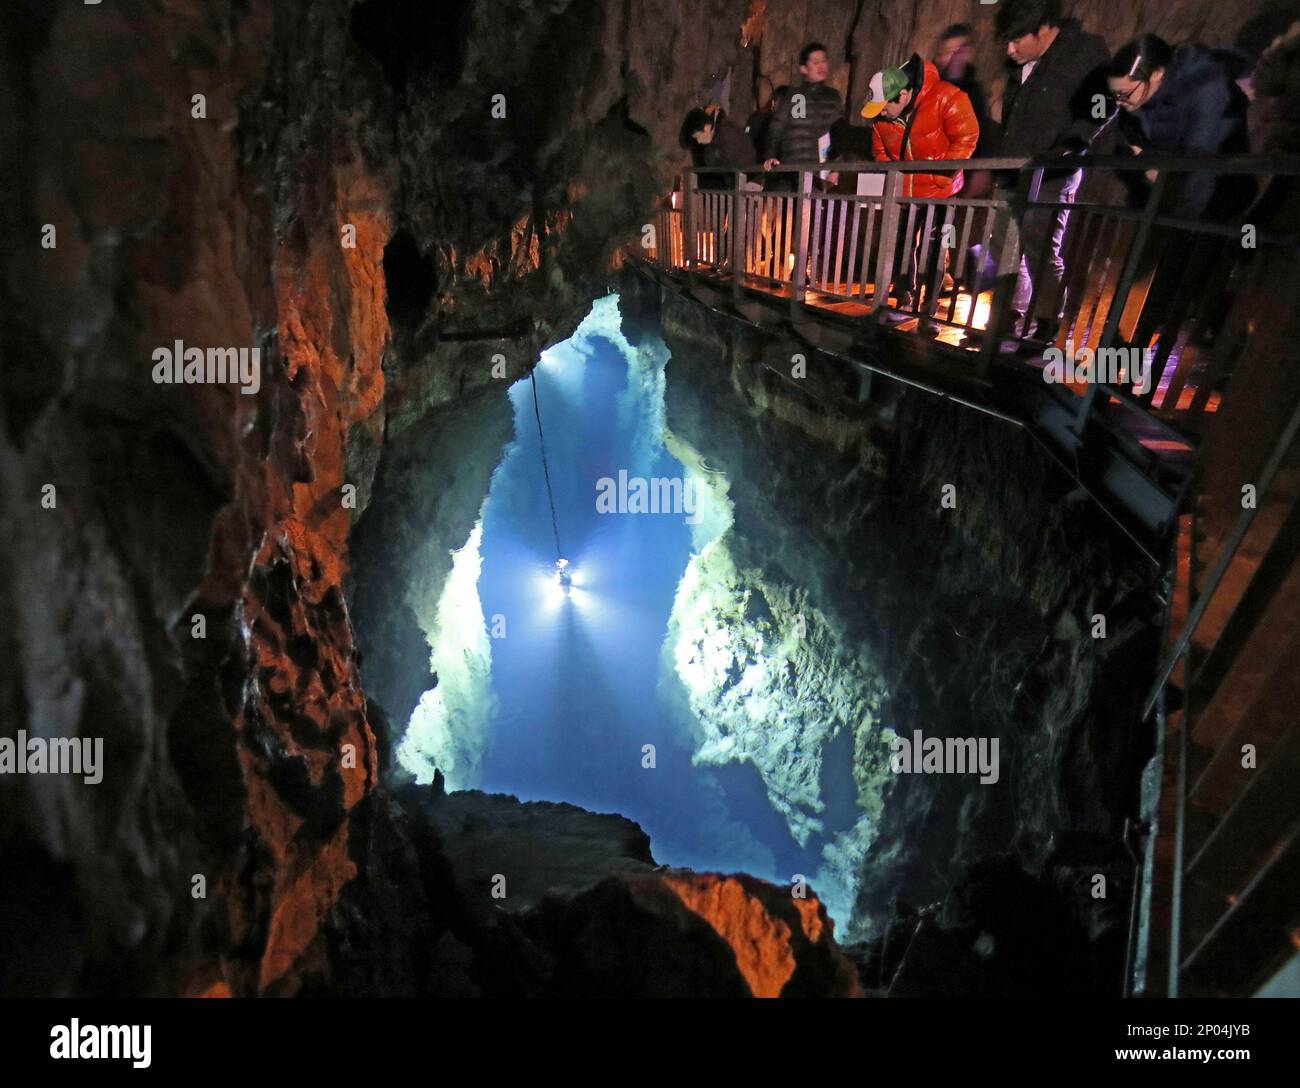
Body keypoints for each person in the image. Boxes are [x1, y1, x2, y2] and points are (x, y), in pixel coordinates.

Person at [986, 0, 1110, 344]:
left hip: (1052, 171)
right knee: (1004, 242)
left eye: (1015, 41)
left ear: (1043, 29)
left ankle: (1045, 321)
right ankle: (1008, 313)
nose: (1009, 50)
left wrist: (1073, 144)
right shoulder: (1023, 64)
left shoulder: (1083, 52)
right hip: (1013, 167)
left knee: (1040, 244)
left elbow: (1101, 104)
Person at [861, 53, 979, 329]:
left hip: (942, 191)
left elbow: (967, 135)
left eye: (883, 106)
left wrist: (943, 174)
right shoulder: (882, 120)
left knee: (936, 247)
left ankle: (929, 309)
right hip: (907, 193)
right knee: (903, 244)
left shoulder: (946, 98)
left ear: (902, 95)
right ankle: (905, 299)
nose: (879, 113)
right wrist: (899, 181)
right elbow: (880, 153)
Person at [1106, 34, 1255, 221]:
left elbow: (1201, 162)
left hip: (1219, 197)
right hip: (1168, 197)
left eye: (1125, 94)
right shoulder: (1142, 100)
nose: (1120, 102)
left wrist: (1180, 220)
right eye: (1115, 95)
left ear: (1156, 74)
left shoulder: (1204, 91)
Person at [762, 42, 844, 191]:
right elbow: (776, 128)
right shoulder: (794, 96)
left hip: (818, 172)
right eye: (815, 62)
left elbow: (838, 134)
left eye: (824, 60)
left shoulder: (833, 97)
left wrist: (836, 168)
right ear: (804, 68)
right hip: (790, 170)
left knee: (814, 211)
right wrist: (771, 155)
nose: (821, 66)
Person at [680, 105, 759, 191]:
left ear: (706, 127)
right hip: (731, 185)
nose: (698, 141)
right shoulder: (715, 136)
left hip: (743, 184)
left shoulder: (727, 134)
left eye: (698, 136)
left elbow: (739, 165)